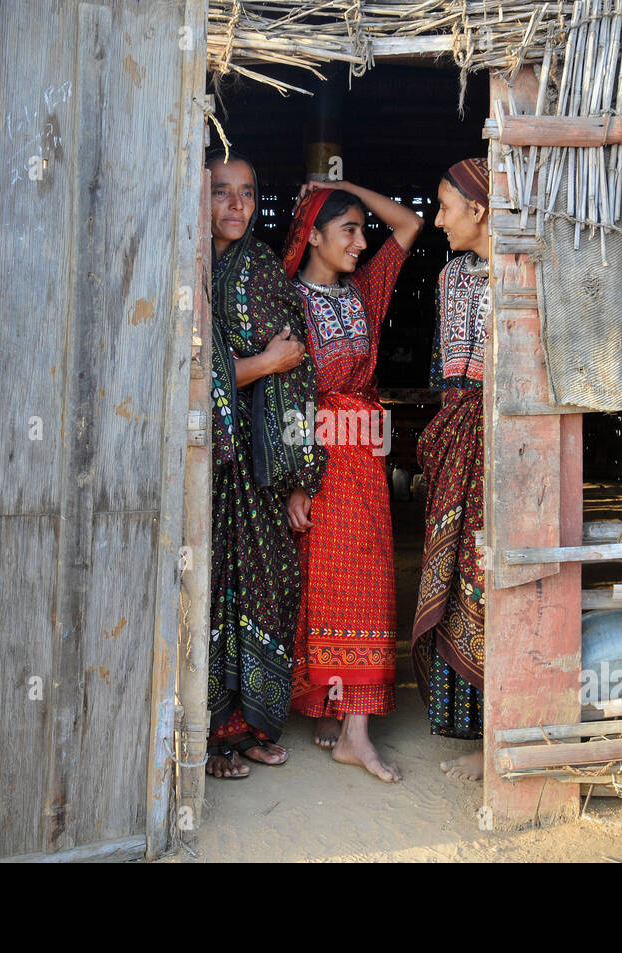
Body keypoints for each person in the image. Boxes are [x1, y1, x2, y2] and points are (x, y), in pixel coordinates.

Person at [282, 180, 422, 783]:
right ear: (313, 235)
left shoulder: (363, 293)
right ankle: (337, 711)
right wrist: (296, 481)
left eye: (364, 229)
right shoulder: (286, 302)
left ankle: (355, 730)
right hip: (317, 458)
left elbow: (410, 224)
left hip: (362, 458)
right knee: (323, 587)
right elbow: (280, 397)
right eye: (348, 229)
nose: (362, 242)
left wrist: (346, 188)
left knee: (366, 582)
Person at [205, 151, 325, 780]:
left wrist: (301, 476)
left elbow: (297, 374)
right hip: (201, 470)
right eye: (221, 192)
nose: (235, 206)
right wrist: (256, 367)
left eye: (246, 193)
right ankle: (206, 737)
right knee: (203, 596)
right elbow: (185, 375)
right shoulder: (190, 271)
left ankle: (249, 728)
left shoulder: (263, 274)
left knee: (262, 592)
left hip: (256, 473)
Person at [411, 158, 490, 781]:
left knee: (498, 579)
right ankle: (473, 727)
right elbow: (450, 375)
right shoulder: (452, 278)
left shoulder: (528, 270)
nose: (438, 220)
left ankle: (502, 740)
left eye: (445, 207)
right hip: (464, 432)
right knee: (462, 575)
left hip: (510, 443)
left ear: (480, 211)